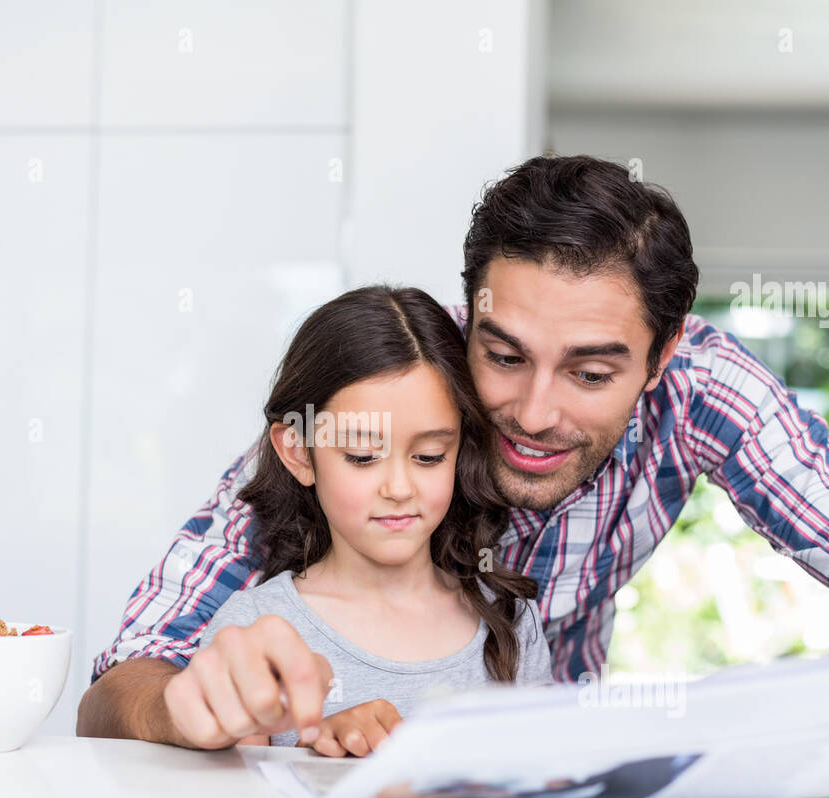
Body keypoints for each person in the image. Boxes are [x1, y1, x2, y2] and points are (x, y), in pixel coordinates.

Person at [77, 154, 829, 749]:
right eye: (503, 355)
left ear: (661, 357)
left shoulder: (703, 386)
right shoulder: (393, 389)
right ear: (470, 313)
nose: (531, 413)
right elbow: (125, 678)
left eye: (590, 373)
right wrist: (182, 707)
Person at [174, 285, 550, 756]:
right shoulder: (254, 631)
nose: (398, 488)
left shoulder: (511, 626)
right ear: (298, 452)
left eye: (430, 456)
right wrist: (317, 753)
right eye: (362, 456)